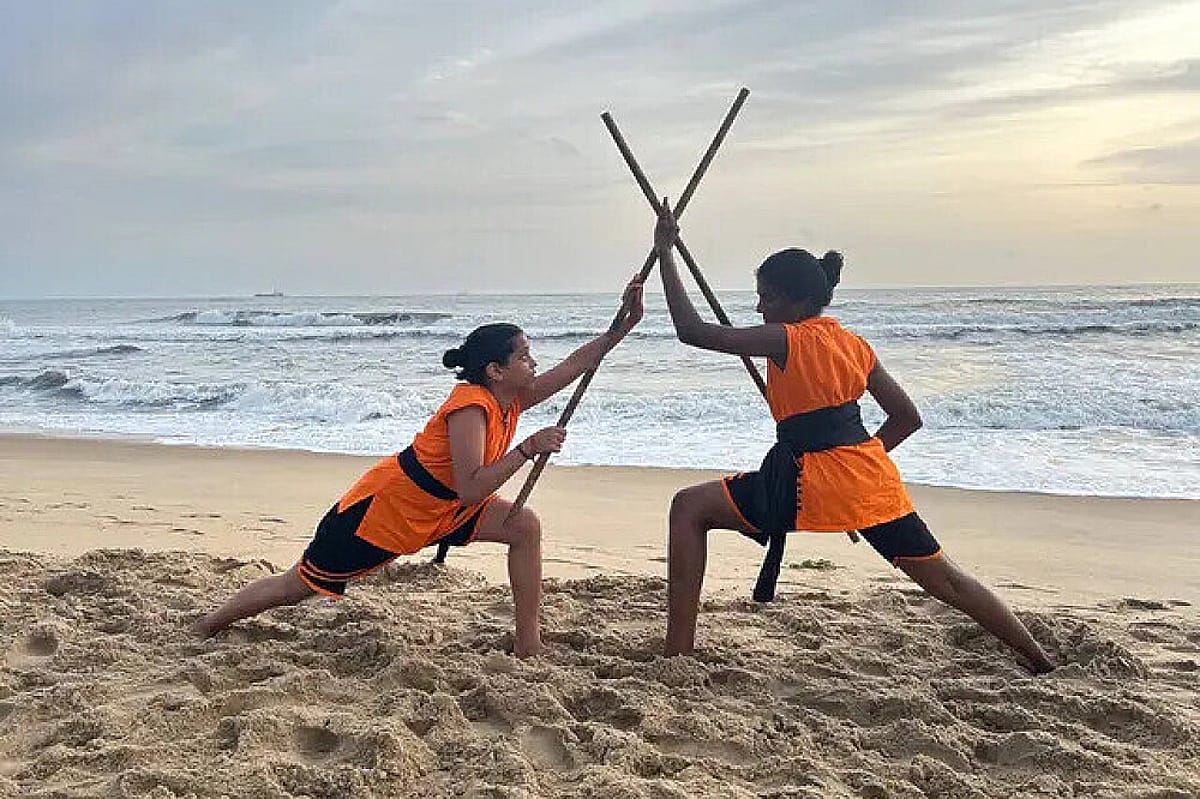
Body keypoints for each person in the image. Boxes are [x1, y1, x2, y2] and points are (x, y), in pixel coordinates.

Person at [651, 200, 1054, 673]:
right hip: (870, 478)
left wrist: (665, 253)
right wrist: (852, 463)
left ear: (796, 303)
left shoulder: (785, 337)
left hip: (807, 484)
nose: (760, 308)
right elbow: (907, 418)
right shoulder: (855, 344)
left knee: (688, 507)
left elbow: (691, 331)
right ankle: (1039, 658)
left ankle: (678, 654)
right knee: (946, 579)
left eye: (768, 298)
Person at [191, 277, 645, 658]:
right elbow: (470, 487)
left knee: (523, 526)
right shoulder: (470, 408)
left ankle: (530, 644)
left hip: (442, 510)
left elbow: (575, 364)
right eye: (524, 356)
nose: (535, 362)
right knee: (297, 585)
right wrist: (527, 447)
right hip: (384, 511)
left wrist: (622, 327)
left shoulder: (513, 397)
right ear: (495, 370)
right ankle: (211, 623)